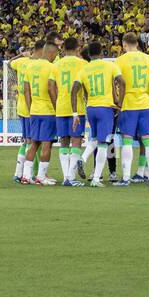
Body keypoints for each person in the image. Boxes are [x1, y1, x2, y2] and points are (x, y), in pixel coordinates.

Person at [113, 32, 149, 185]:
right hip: (145, 104)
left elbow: (114, 80)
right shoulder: (147, 58)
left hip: (128, 104)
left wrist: (117, 100)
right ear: (137, 43)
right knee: (148, 141)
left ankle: (125, 178)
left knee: (127, 141)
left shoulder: (120, 60)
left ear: (124, 45)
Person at [75, 42, 123, 187]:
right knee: (105, 142)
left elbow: (76, 88)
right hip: (106, 108)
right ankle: (97, 178)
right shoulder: (110, 66)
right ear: (102, 53)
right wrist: (119, 103)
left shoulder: (84, 69)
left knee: (95, 139)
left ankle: (82, 158)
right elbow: (122, 82)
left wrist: (75, 112)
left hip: (91, 108)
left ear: (89, 55)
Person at [50, 38, 89, 186]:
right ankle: (71, 178)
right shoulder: (83, 64)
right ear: (78, 47)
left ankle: (66, 176)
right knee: (76, 140)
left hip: (60, 107)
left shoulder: (57, 65)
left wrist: (56, 103)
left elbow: (51, 87)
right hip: (77, 108)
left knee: (64, 142)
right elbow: (85, 87)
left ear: (64, 48)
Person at [20, 39, 58, 185]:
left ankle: (26, 176)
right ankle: (41, 177)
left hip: (34, 111)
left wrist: (30, 109)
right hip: (48, 111)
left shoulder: (30, 67)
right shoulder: (51, 68)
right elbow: (51, 88)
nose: (55, 57)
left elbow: (26, 91)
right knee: (47, 143)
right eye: (55, 54)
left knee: (34, 144)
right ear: (51, 52)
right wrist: (56, 108)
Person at [9, 44, 36, 183]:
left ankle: (18, 173)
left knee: (26, 141)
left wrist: (20, 55)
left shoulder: (20, 62)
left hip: (21, 106)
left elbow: (9, 63)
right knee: (32, 142)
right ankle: (27, 174)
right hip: (33, 106)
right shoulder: (36, 64)